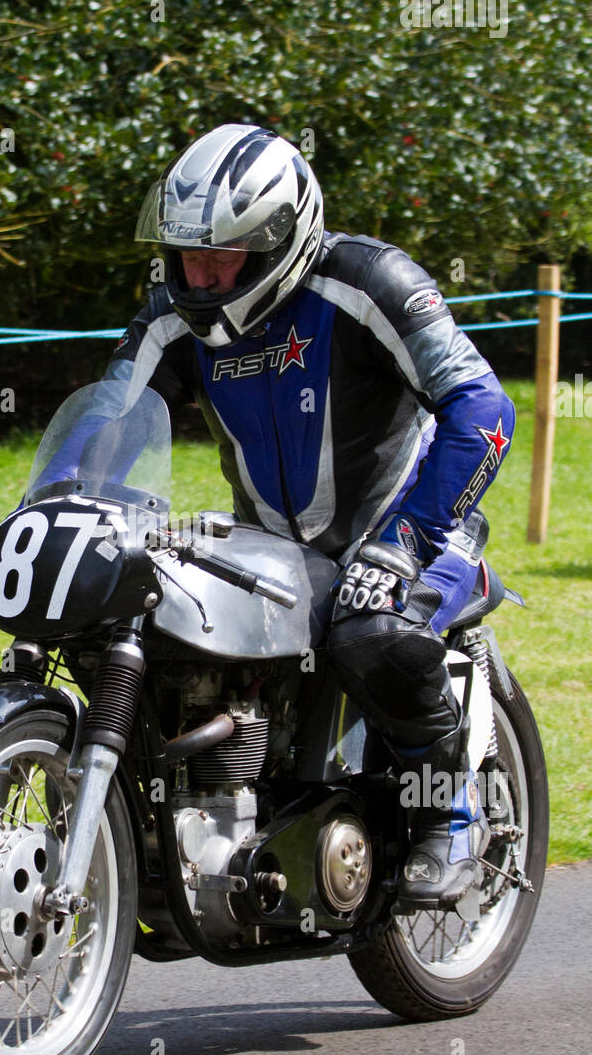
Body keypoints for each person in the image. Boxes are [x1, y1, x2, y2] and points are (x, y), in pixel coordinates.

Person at [102, 122, 515, 913]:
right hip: (277, 548)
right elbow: (107, 424)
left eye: (224, 256)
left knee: (374, 630)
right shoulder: (172, 316)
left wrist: (402, 544)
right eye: (188, 256)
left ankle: (450, 816)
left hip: (410, 524)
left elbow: (483, 409)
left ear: (279, 242)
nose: (203, 275)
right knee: (157, 621)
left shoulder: (370, 282)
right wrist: (53, 508)